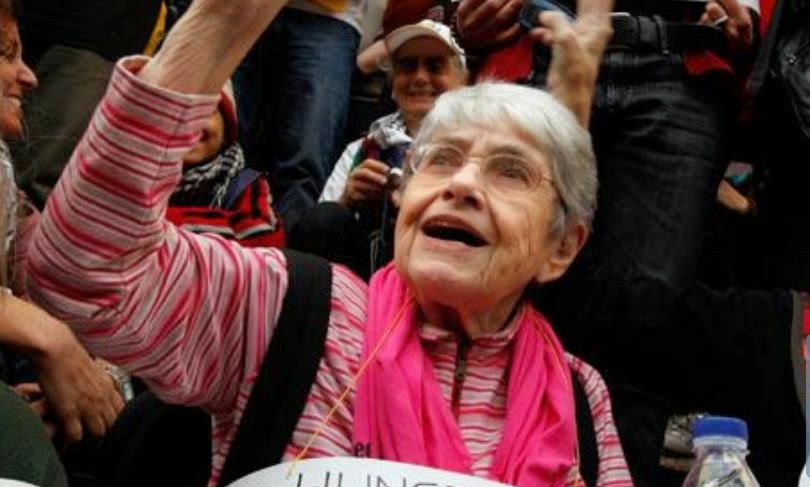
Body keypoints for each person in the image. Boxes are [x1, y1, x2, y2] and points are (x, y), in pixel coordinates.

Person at [26, 0, 633, 486]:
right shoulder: (287, 309)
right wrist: (221, 21)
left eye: (510, 172)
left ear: (563, 248)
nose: (464, 185)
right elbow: (86, 270)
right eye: (441, 162)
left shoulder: (581, 398)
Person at [0, 2, 125, 483]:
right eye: (8, 54)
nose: (29, 78)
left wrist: (92, 374)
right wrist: (46, 338)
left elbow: (55, 285)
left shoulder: (8, 185)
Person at [292, 20, 468, 278]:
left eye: (435, 66)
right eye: (407, 66)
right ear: (393, 85)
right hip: (363, 271)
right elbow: (318, 225)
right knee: (325, 218)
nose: (420, 77)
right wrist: (348, 200)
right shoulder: (362, 149)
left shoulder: (480, 147)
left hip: (447, 268)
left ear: (463, 82)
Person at [167, 83, 285, 249]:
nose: (190, 122)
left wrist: (159, 225)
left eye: (206, 111)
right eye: (178, 112)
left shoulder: (244, 184)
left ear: (226, 134)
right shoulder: (140, 176)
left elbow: (264, 237)